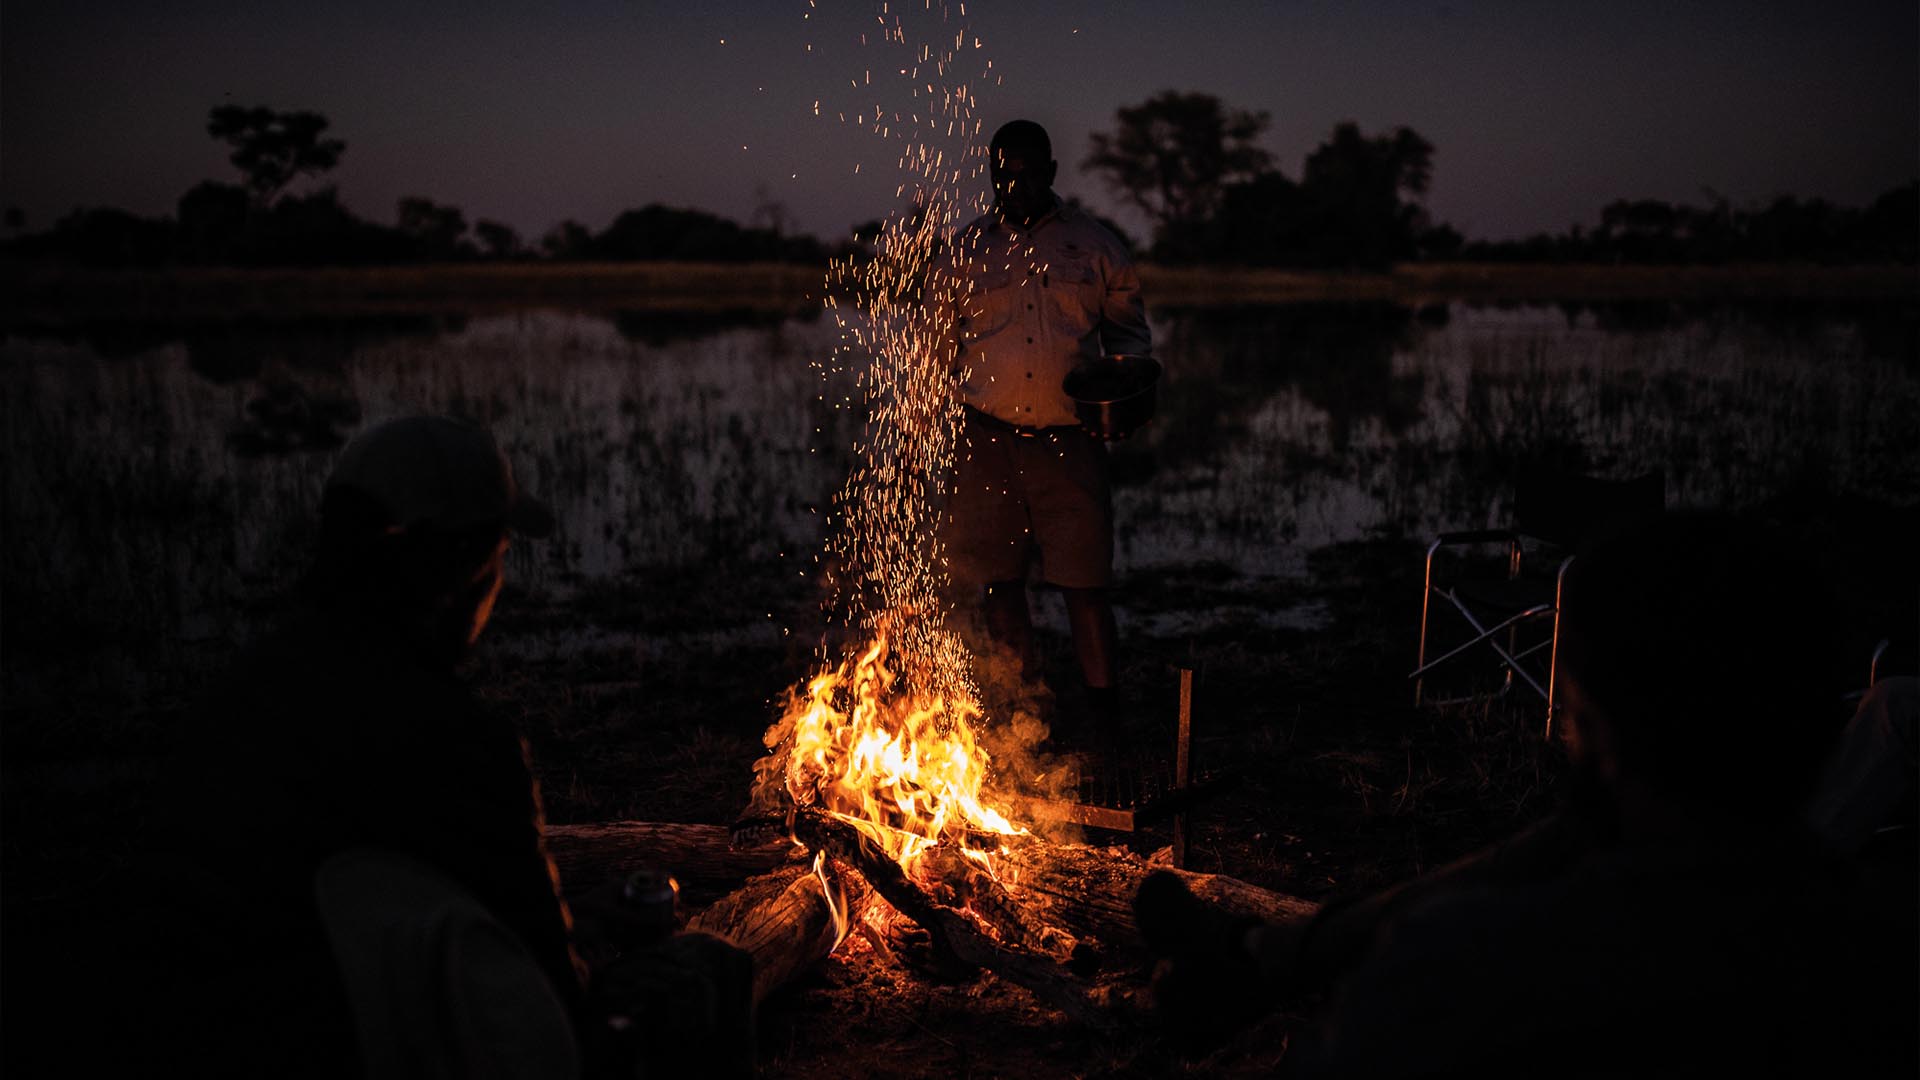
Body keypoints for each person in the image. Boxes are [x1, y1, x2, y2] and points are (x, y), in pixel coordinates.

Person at [1137, 513, 1917, 1076]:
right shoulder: (1875, 957)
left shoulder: (1471, 965)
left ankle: (1253, 955)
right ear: (1826, 725)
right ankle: (1258, 949)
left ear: (1587, 724)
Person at [152, 416, 751, 1078]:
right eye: (498, 556)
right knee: (705, 970)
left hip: (221, 1035)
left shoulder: (234, 696)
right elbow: (550, 993)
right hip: (368, 1044)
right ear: (467, 570)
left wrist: (576, 917)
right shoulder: (462, 747)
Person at [932, 118, 1153, 745]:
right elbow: (931, 353)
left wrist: (1127, 396)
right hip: (985, 440)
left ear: (1053, 172)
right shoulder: (963, 251)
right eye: (1005, 173)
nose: (1018, 184)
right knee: (1000, 584)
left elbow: (1130, 340)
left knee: (1086, 584)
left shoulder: (1095, 246)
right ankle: (1025, 713)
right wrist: (928, 430)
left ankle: (1104, 719)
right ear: (992, 174)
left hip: (1071, 441)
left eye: (1030, 172)